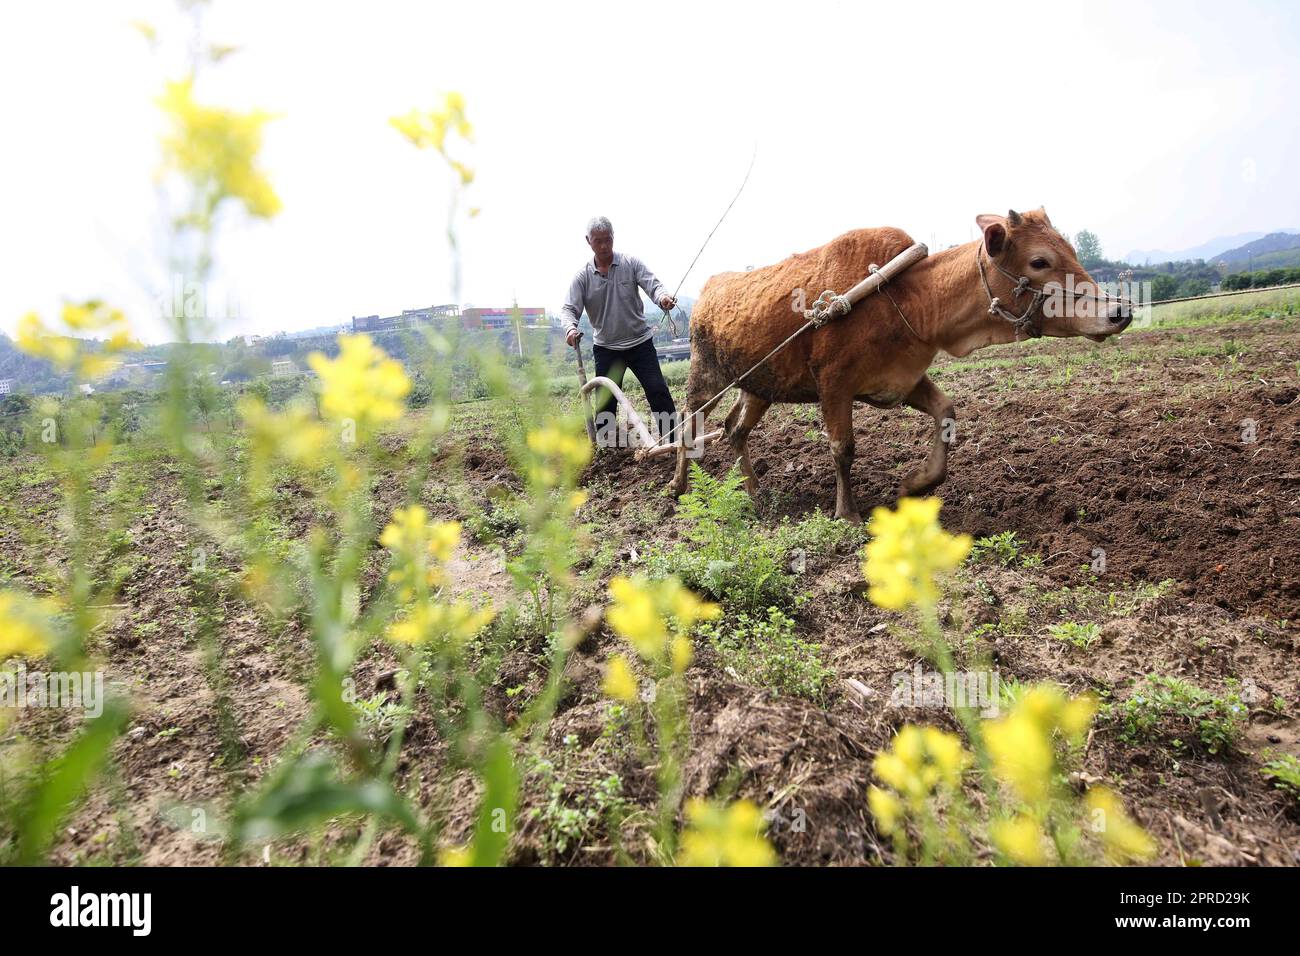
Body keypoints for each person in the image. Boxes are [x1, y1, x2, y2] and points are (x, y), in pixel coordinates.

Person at [561, 216, 678, 448]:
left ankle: (674, 440)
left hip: (640, 343)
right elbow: (568, 309)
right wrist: (570, 329)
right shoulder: (582, 277)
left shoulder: (630, 263)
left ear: (613, 238)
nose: (604, 246)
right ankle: (607, 449)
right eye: (598, 241)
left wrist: (663, 298)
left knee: (657, 390)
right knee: (605, 402)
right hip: (606, 348)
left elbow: (653, 285)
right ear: (588, 241)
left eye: (608, 240)